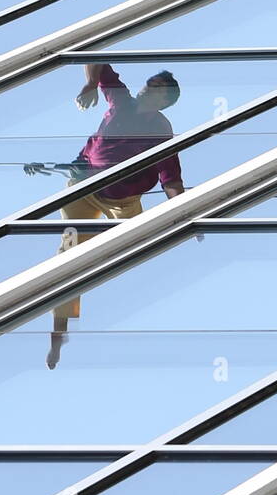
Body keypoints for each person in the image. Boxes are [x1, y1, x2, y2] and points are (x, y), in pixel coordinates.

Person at [24, 63, 185, 368]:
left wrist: (185, 212)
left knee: (133, 249)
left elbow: (171, 178)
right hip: (84, 186)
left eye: (154, 90)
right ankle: (59, 332)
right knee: (68, 258)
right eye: (147, 84)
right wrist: (88, 85)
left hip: (123, 201)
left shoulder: (161, 130)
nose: (145, 89)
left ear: (164, 101)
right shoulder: (122, 101)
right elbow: (97, 62)